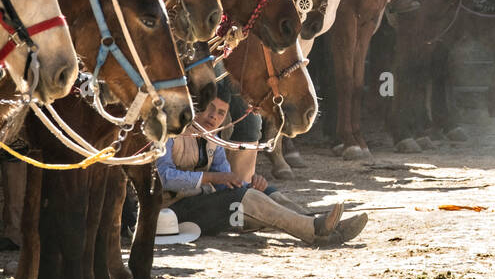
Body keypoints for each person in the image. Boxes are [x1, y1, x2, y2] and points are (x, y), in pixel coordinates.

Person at [157, 88, 366, 245]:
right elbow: (162, 177)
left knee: (262, 191)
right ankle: (315, 230)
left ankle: (322, 224)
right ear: (196, 107)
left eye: (221, 113)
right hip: (173, 212)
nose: (214, 116)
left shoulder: (214, 138)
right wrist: (212, 179)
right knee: (246, 198)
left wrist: (248, 184)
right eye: (210, 108)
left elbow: (224, 180)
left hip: (202, 205)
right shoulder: (171, 131)